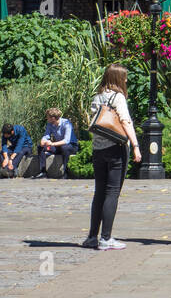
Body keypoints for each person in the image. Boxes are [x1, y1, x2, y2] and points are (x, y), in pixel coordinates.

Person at [84, 64, 142, 250]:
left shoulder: (97, 97)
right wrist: (135, 145)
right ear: (118, 79)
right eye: (124, 78)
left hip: (98, 150)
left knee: (99, 192)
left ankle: (92, 236)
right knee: (112, 192)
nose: (126, 81)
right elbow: (125, 121)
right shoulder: (118, 98)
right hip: (116, 147)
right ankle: (106, 238)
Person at [35, 107, 78, 179]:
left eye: (47, 117)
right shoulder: (50, 124)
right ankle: (43, 171)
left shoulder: (66, 123)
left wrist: (52, 144)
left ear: (53, 118)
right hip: (58, 146)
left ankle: (66, 172)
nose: (46, 118)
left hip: (71, 146)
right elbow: (46, 135)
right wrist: (43, 140)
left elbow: (66, 141)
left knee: (65, 147)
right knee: (40, 147)